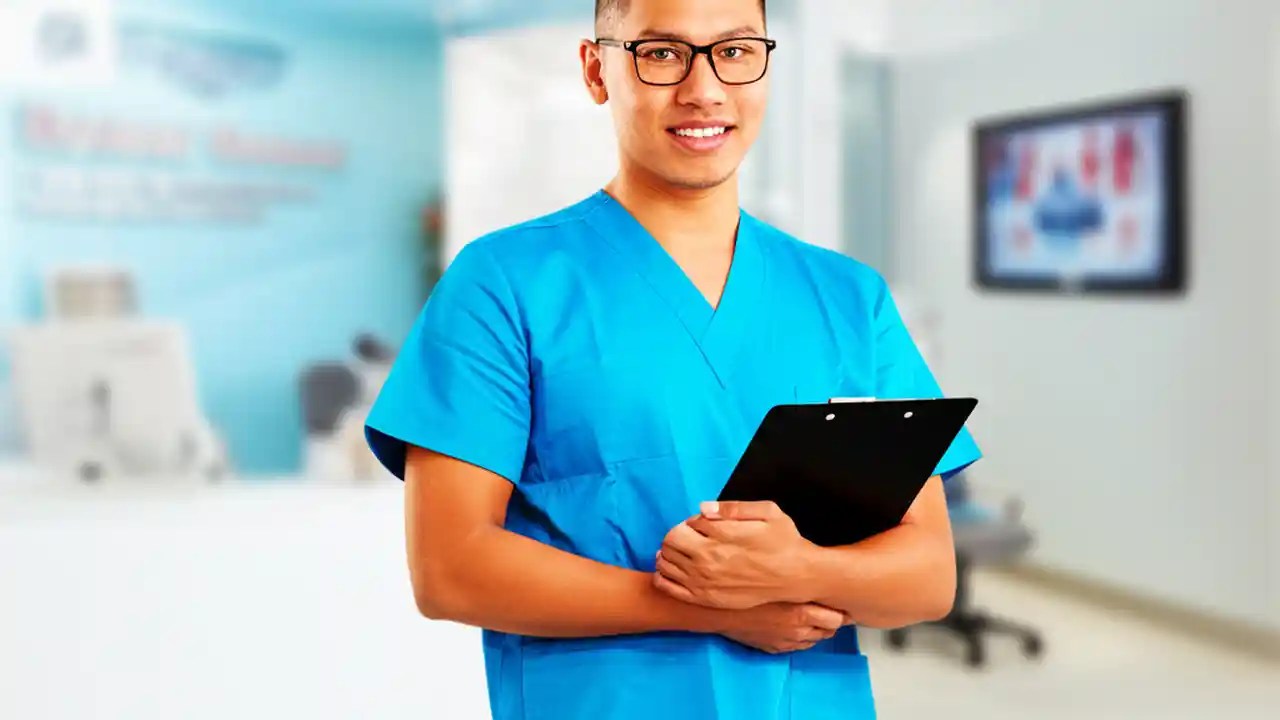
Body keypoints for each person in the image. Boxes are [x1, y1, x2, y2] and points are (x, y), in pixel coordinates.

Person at [364, 0, 981, 717]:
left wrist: (802, 570)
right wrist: (709, 606)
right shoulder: (502, 284)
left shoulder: (849, 299)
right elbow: (450, 569)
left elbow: (930, 575)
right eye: (661, 54)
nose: (705, 89)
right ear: (598, 70)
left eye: (736, 50)